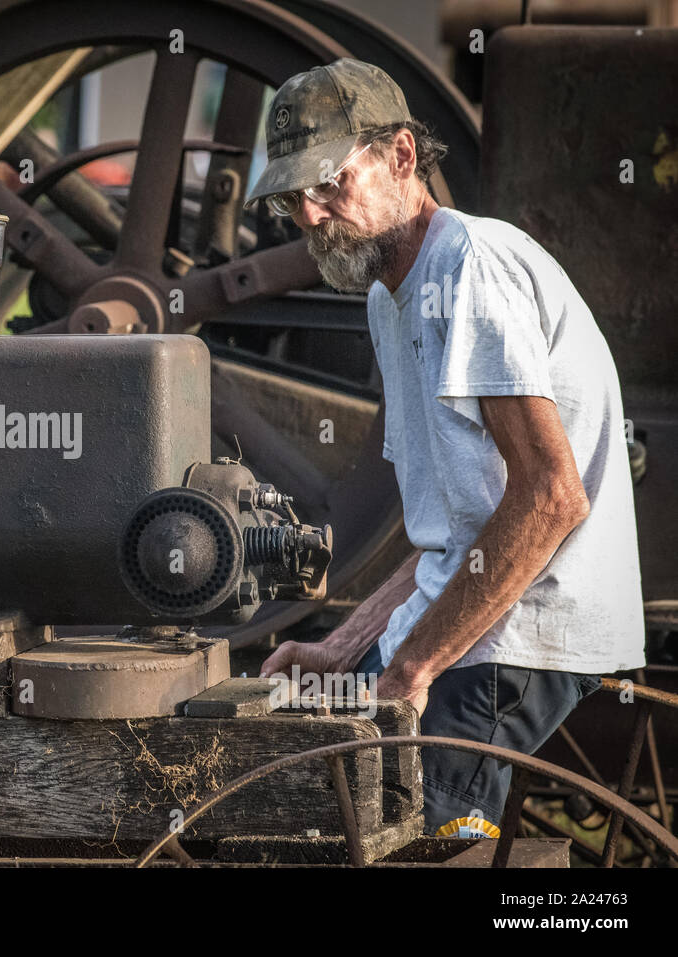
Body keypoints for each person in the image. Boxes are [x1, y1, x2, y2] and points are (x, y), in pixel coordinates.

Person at [249, 59, 645, 837]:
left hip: (519, 630)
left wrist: (412, 667)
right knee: (313, 777)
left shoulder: (469, 265)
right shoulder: (387, 296)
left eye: (329, 183)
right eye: (293, 195)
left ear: (402, 156)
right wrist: (345, 648)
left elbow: (551, 497)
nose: (308, 213)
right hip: (475, 614)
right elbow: (454, 537)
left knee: (395, 829)